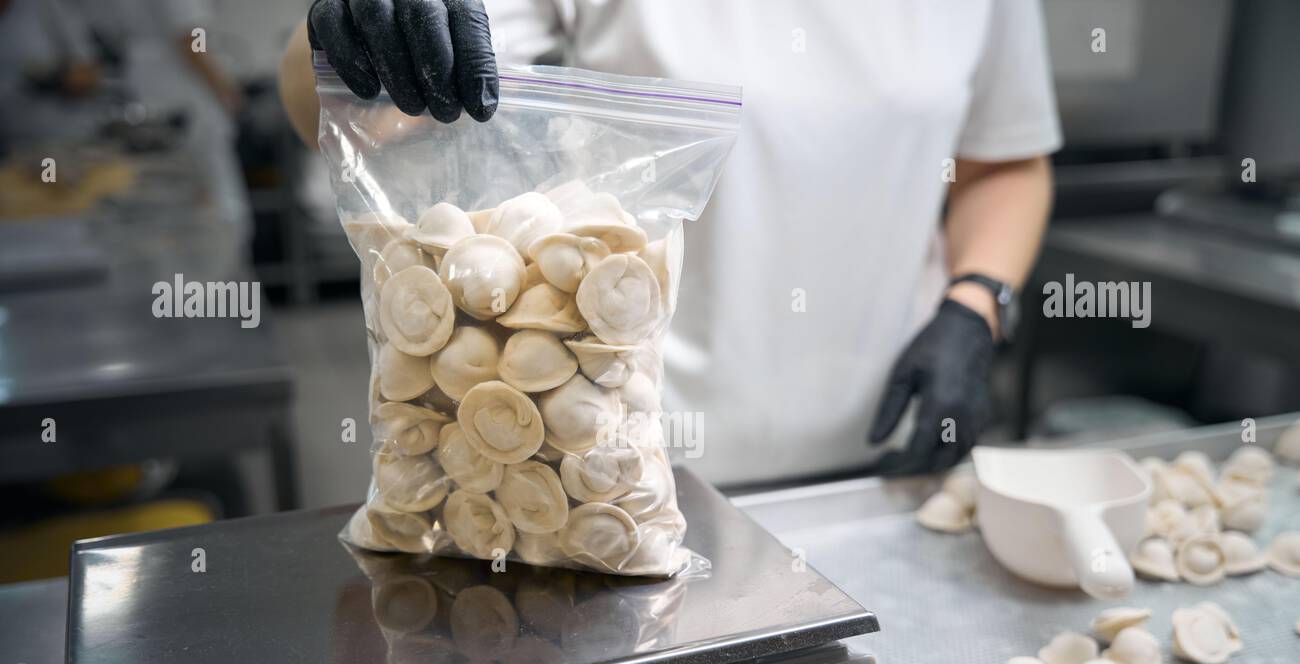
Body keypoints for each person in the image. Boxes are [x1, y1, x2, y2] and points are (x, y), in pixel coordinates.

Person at [280, 0, 1060, 487]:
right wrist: (348, 32)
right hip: (620, 459)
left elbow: (1005, 160)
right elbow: (365, 113)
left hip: (892, 447)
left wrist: (978, 303)